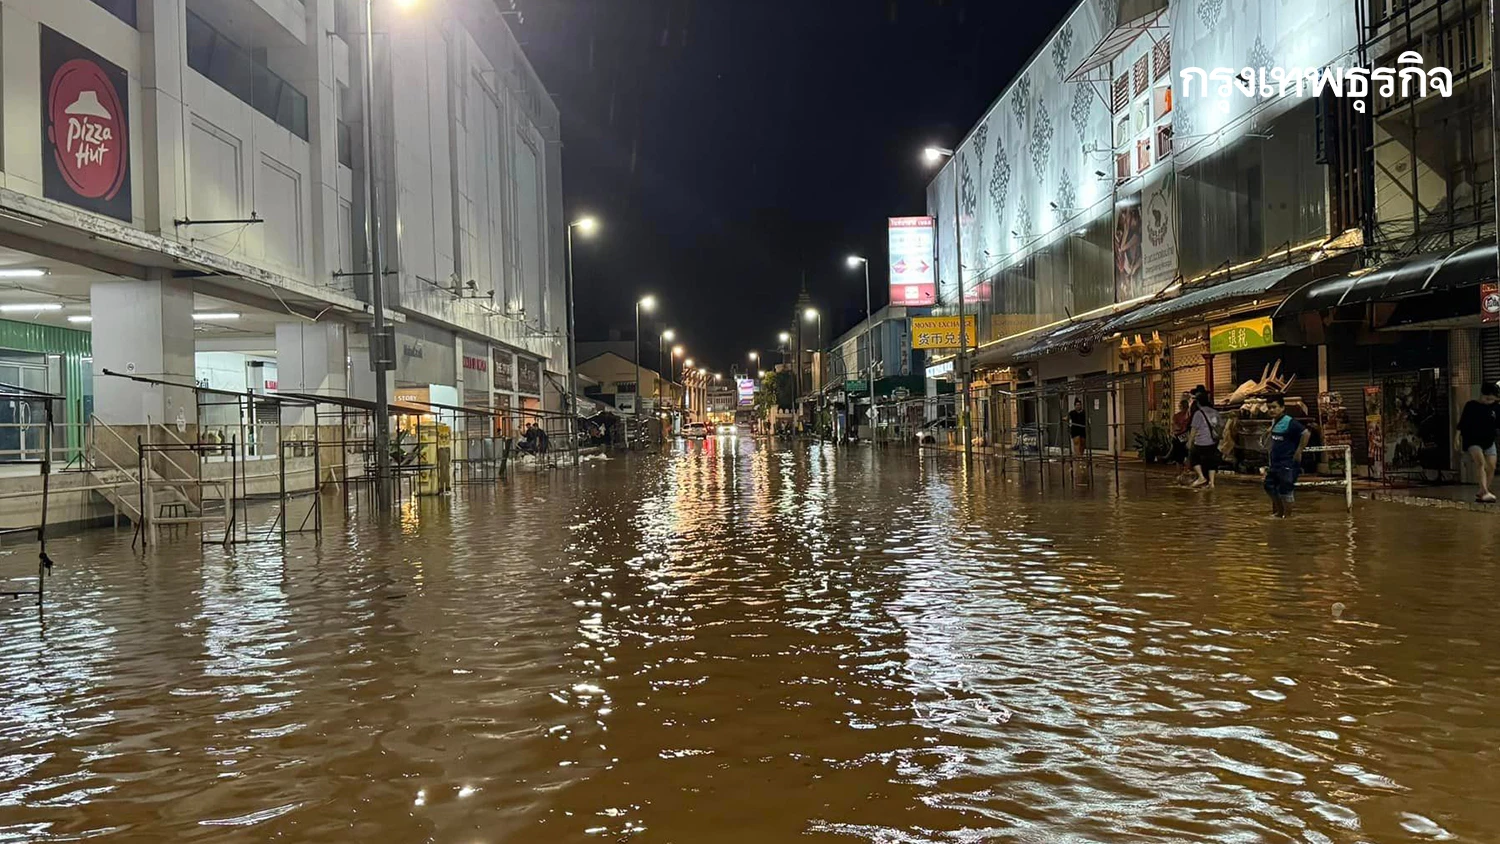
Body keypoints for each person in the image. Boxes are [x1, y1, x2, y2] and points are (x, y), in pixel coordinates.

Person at [1264, 393, 1311, 518]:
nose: (1271, 410)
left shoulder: (1290, 422)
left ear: (1282, 408)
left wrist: (1299, 450)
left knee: (1286, 491)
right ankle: (1280, 513)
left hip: (1287, 462)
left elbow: (1306, 433)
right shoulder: (1274, 421)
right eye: (1269, 408)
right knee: (1269, 486)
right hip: (1275, 462)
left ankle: (1288, 518)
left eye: (1274, 407)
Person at [1455, 381, 1500, 503]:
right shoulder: (1471, 405)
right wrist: (1457, 437)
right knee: (1480, 463)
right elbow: (1462, 422)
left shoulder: (1496, 407)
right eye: (1488, 399)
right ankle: (1485, 491)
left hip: (1489, 440)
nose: (1490, 401)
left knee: (1491, 467)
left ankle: (1482, 490)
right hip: (1472, 439)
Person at [1188, 391, 1222, 488]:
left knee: (1194, 457)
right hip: (1213, 441)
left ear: (1198, 402)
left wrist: (1190, 442)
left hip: (1201, 442)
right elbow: (1220, 426)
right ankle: (1212, 483)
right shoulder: (1215, 412)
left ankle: (1201, 477)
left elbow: (1194, 429)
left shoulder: (1198, 413)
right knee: (1211, 462)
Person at [1170, 397, 1192, 470]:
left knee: (1181, 457)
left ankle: (1182, 472)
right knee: (1180, 457)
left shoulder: (1189, 416)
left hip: (1183, 437)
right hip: (1181, 437)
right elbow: (1175, 427)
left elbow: (1175, 426)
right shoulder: (1178, 416)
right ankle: (1181, 472)